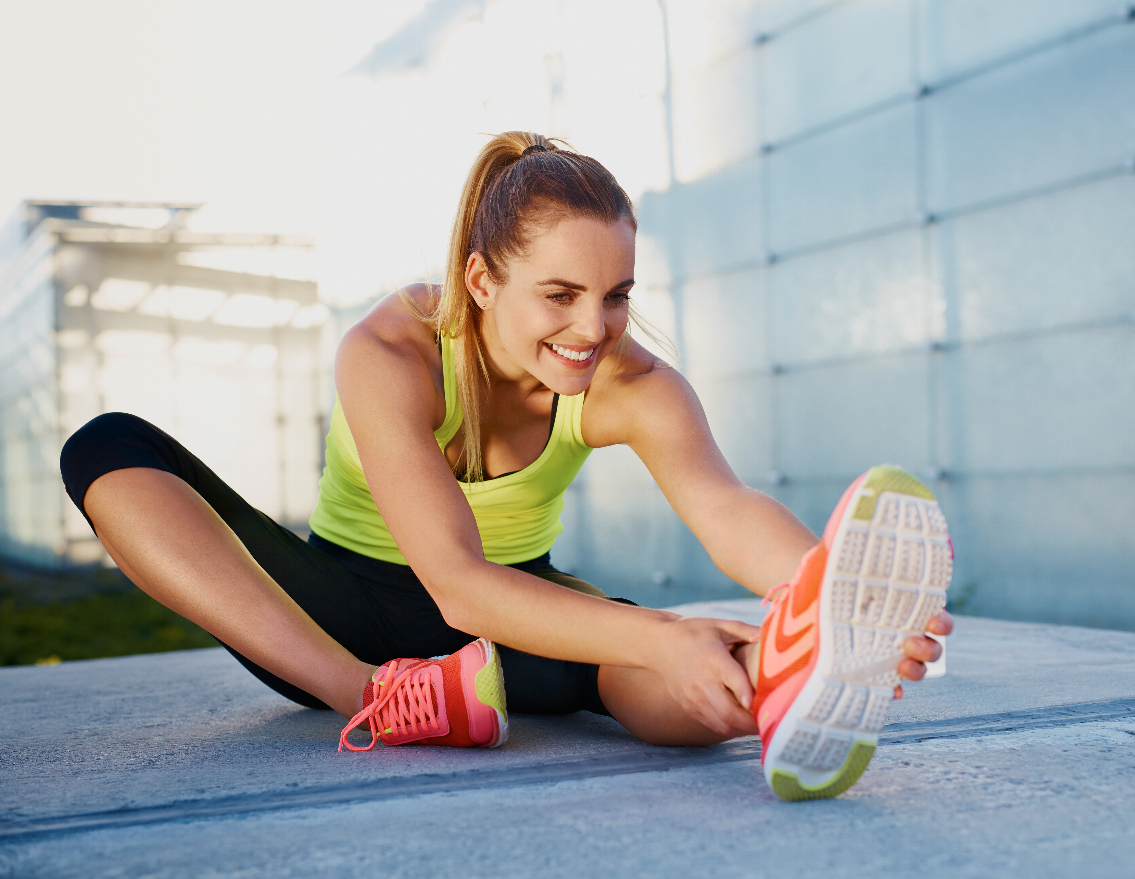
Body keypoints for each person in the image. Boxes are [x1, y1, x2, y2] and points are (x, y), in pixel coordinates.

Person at [59, 131, 953, 801]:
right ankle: (375, 695)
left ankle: (783, 675)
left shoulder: (629, 380)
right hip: (335, 611)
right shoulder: (393, 348)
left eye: (616, 295)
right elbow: (453, 585)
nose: (593, 327)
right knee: (105, 446)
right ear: (482, 281)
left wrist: (828, 595)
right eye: (560, 295)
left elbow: (724, 508)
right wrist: (661, 631)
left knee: (679, 666)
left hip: (515, 620)